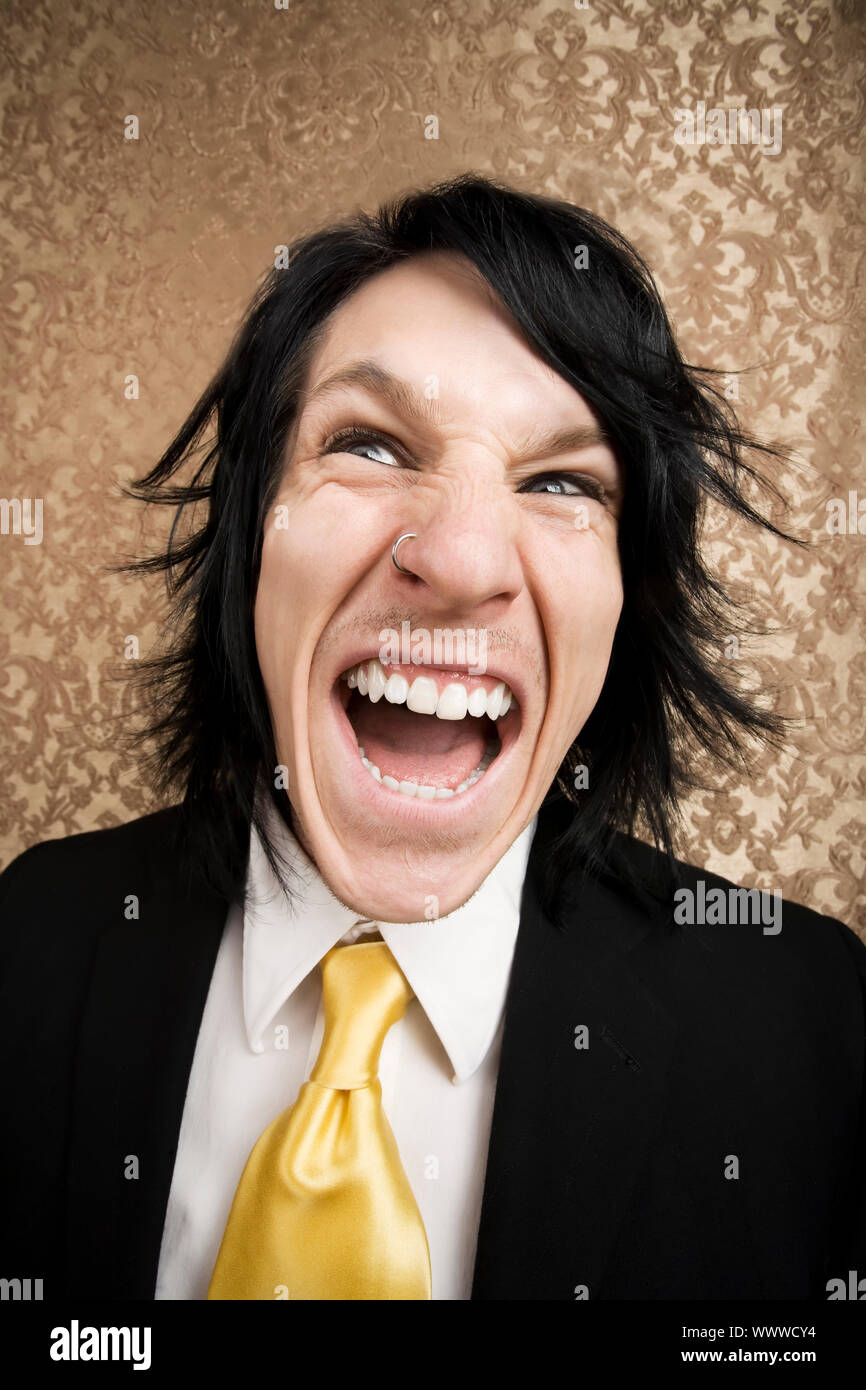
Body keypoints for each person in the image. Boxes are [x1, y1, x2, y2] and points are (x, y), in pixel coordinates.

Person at [1, 174, 864, 1302]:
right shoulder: (31, 941)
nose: (459, 561)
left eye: (560, 480)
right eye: (367, 445)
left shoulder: (811, 1025)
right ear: (251, 545)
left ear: (625, 597)